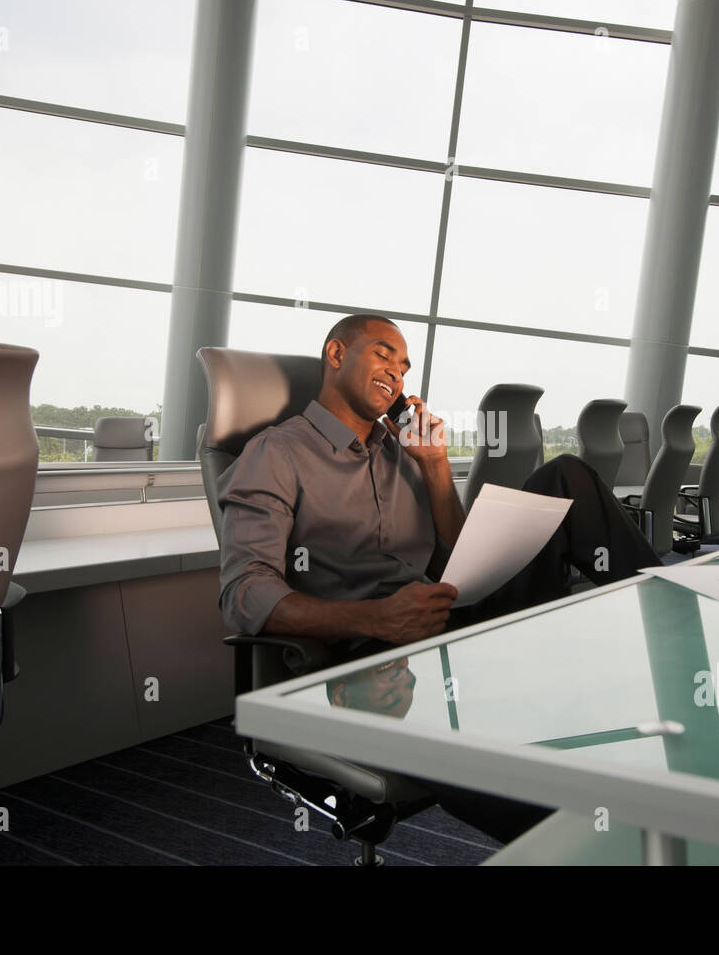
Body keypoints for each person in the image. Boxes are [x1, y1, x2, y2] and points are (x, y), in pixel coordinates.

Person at [216, 313, 660, 843]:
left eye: (404, 368)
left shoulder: (406, 454)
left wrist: (434, 465)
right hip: (371, 655)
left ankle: (672, 628)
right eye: (383, 355)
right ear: (336, 355)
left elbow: (456, 552)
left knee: (567, 476)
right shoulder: (279, 452)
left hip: (448, 615)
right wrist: (377, 618)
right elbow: (244, 593)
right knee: (545, 789)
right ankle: (596, 843)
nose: (397, 375)